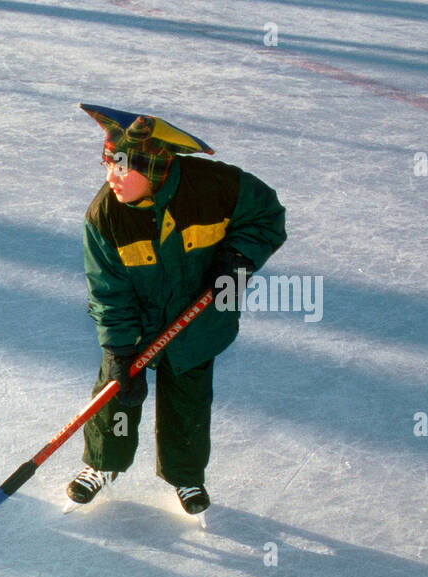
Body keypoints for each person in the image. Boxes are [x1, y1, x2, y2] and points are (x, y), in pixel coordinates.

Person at [65, 103, 286, 519]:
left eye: (121, 167)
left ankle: (186, 474)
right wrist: (117, 351)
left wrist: (239, 258)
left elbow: (267, 216)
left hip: (199, 320)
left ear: (153, 170)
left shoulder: (216, 186)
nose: (110, 177)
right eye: (106, 164)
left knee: (188, 400)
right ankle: (102, 462)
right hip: (138, 323)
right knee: (116, 395)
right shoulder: (105, 218)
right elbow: (108, 294)